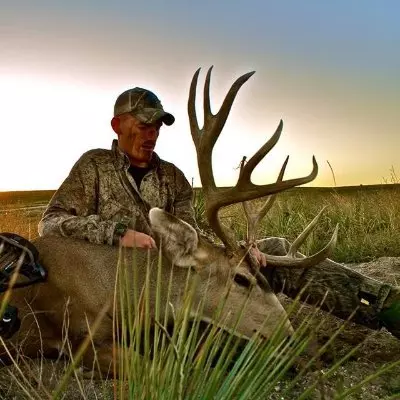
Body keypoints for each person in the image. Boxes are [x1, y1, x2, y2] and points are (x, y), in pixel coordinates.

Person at [38, 87, 400, 339]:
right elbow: (50, 223)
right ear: (118, 125)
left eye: (157, 127)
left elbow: (194, 238)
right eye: (142, 125)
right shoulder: (93, 167)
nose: (151, 134)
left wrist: (241, 252)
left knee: (273, 251)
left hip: (185, 283)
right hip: (120, 294)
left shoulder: (172, 178)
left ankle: (385, 305)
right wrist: (118, 234)